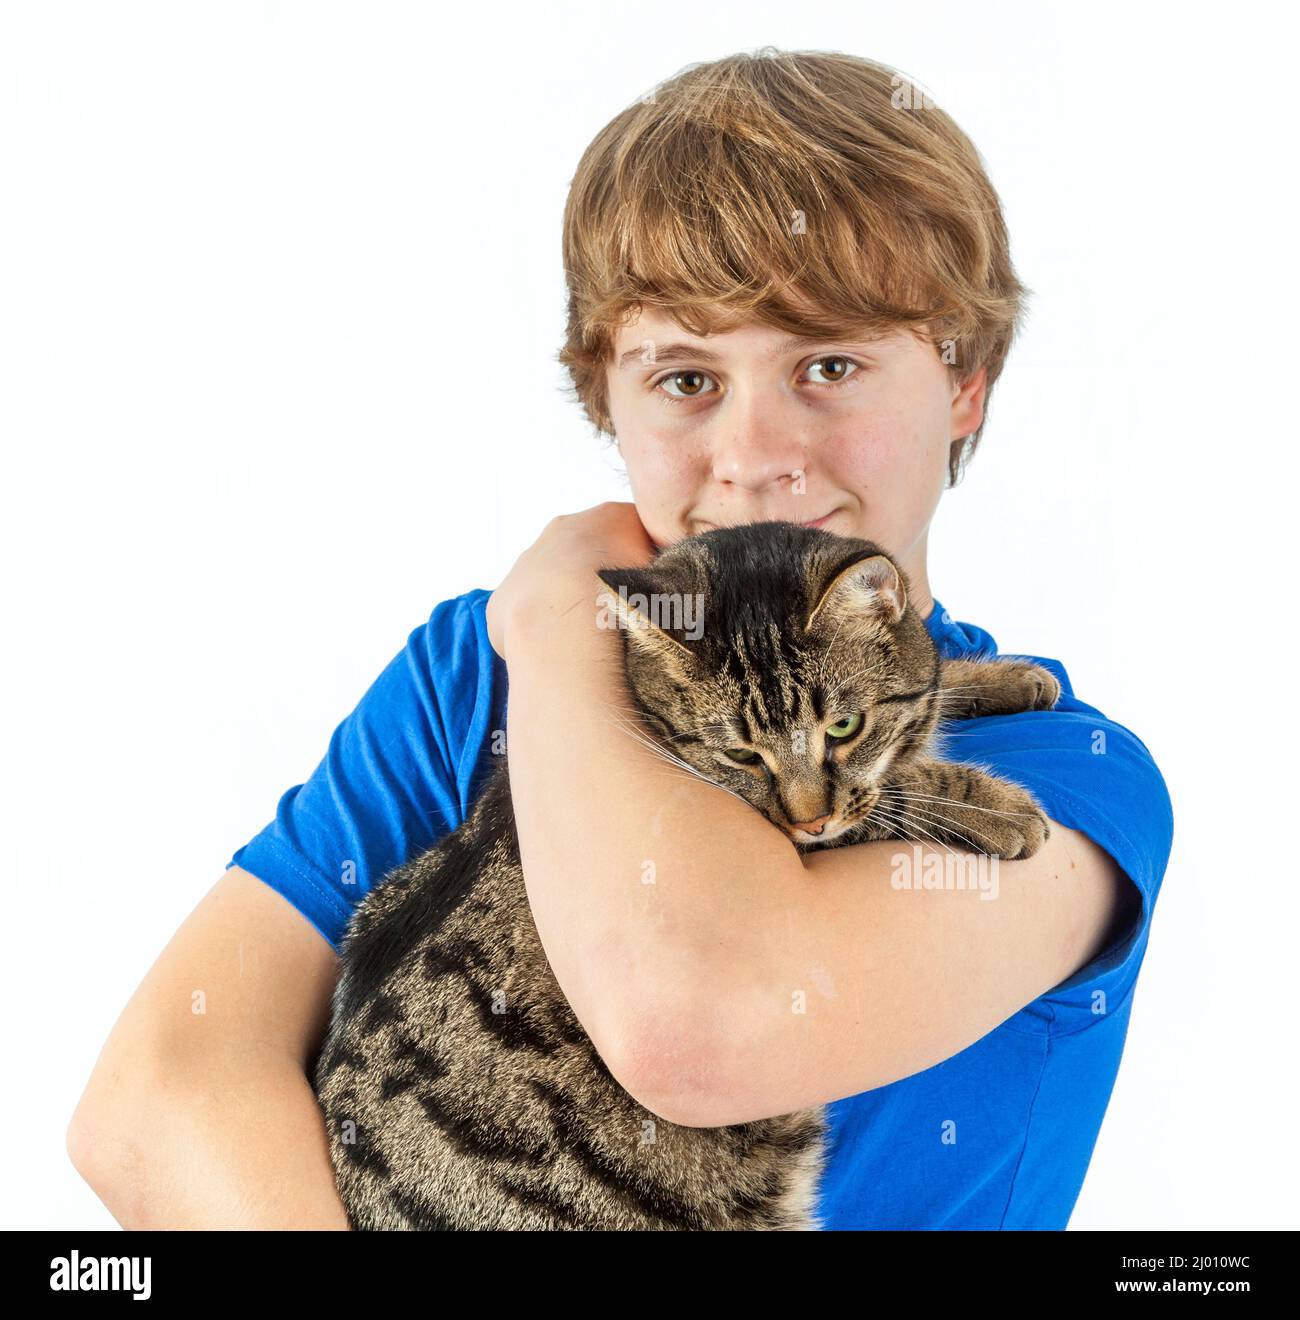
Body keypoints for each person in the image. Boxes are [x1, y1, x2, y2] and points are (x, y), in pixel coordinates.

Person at [68, 47, 1173, 1230]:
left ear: (965, 385)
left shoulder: (1069, 782)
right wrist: (547, 641)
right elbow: (153, 1102)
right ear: (604, 399)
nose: (756, 457)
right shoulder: (470, 677)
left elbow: (697, 1031)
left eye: (832, 364)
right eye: (687, 379)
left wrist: (559, 615)